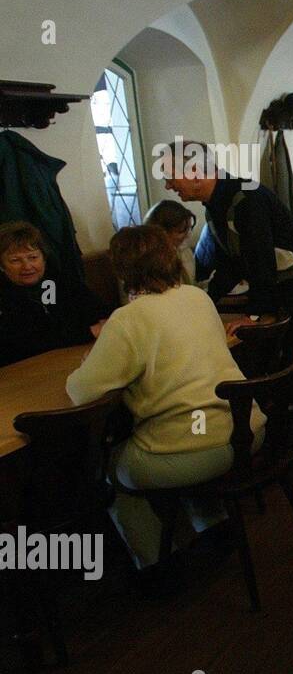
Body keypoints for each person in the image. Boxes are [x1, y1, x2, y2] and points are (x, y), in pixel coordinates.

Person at [66, 225, 264, 570]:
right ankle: (214, 527)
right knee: (183, 432)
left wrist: (89, 362)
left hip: (194, 451)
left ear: (122, 269)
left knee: (110, 467)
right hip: (246, 432)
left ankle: (159, 564)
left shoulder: (127, 320)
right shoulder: (197, 297)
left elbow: (82, 391)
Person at [160, 140, 293, 429]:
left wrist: (258, 315)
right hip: (278, 287)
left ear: (196, 171)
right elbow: (231, 263)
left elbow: (261, 263)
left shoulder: (245, 197)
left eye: (170, 175)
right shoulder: (216, 202)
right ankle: (276, 429)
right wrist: (203, 303)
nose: (168, 185)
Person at [0, 220, 109, 367]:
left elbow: (102, 313)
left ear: (44, 258)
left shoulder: (56, 282)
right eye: (15, 260)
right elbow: (26, 344)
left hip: (71, 361)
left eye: (33, 257)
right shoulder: (5, 296)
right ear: (2, 266)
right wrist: (88, 332)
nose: (27, 266)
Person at [143, 198, 198, 284]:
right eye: (181, 231)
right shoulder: (149, 264)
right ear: (162, 233)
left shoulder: (184, 251)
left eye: (189, 229)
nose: (188, 236)